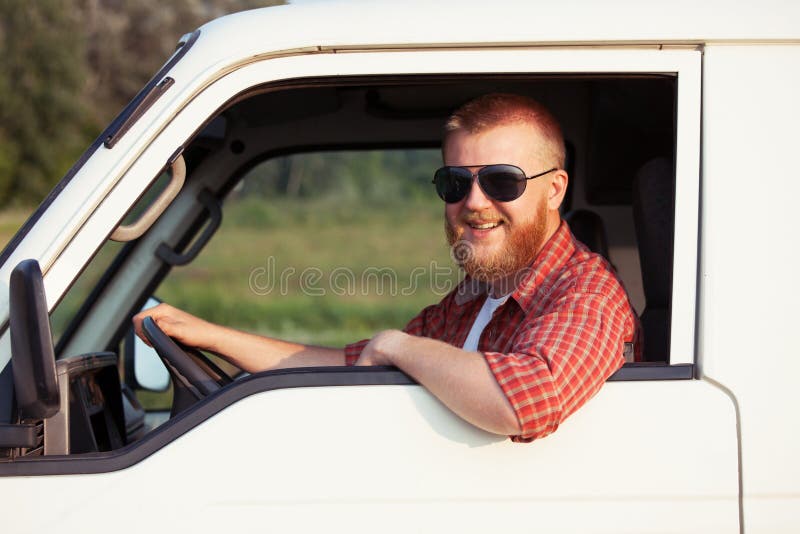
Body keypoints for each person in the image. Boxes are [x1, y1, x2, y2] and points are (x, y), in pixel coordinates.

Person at [133, 93, 639, 443]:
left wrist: (400, 344)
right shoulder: (478, 298)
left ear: (554, 189)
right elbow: (356, 366)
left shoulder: (587, 295)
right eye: (455, 183)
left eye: (502, 182)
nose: (475, 203)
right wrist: (211, 336)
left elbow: (526, 401)